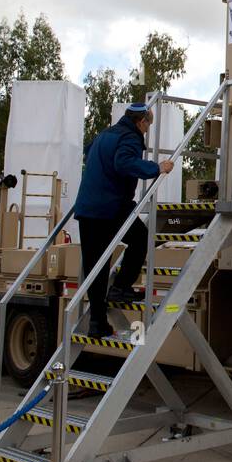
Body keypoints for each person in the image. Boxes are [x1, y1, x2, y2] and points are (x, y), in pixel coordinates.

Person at [73, 103, 172, 339]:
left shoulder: (105, 134)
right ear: (141, 121)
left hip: (87, 208)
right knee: (141, 238)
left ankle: (97, 323)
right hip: (110, 206)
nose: (147, 131)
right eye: (148, 125)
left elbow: (89, 153)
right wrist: (156, 168)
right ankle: (121, 287)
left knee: (96, 266)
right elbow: (123, 163)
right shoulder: (130, 137)